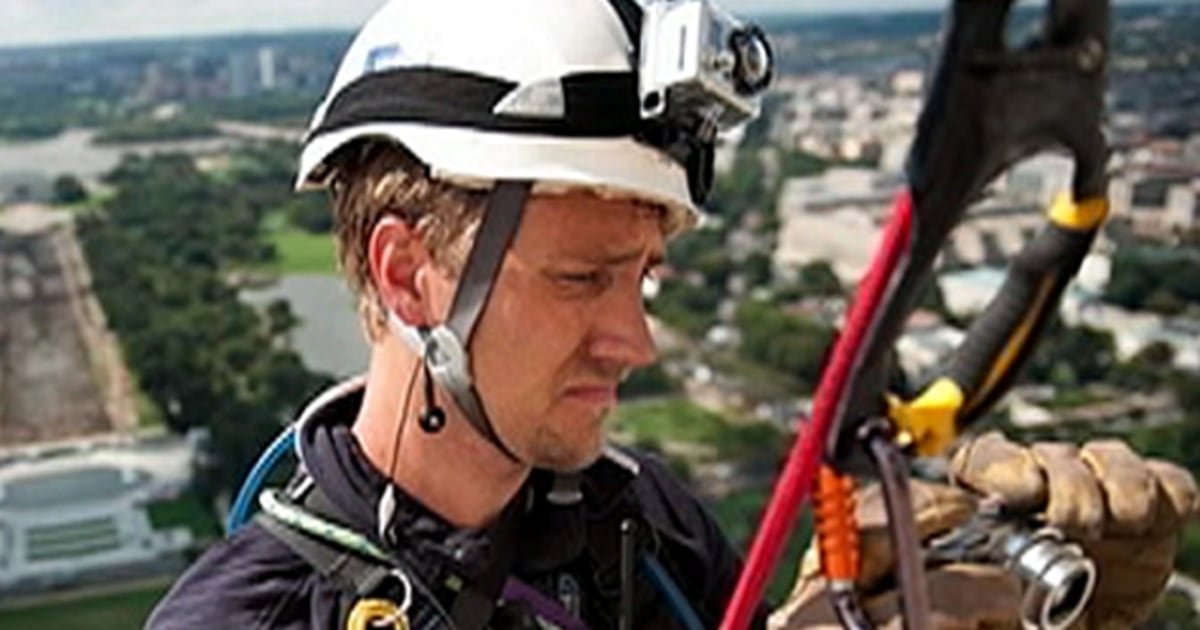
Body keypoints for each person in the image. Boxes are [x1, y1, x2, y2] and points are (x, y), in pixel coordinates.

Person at [146, 0, 1198, 628]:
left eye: (640, 276)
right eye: (580, 278)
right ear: (408, 274)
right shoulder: (248, 620)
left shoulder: (641, 526)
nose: (635, 340)